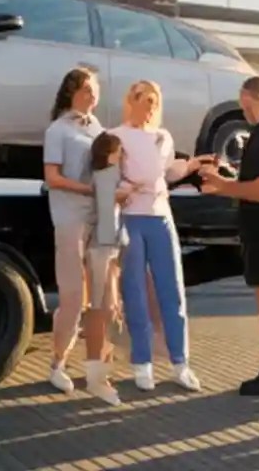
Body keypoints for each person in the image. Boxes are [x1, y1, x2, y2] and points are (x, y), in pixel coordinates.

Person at [108, 80, 209, 392]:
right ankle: (142, 364)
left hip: (161, 218)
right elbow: (106, 180)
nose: (150, 107)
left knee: (172, 291)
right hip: (131, 218)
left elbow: (167, 172)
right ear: (132, 101)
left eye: (154, 101)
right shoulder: (115, 136)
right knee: (135, 292)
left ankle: (181, 363)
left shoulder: (163, 137)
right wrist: (123, 190)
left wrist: (191, 165)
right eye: (145, 100)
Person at [200, 75, 259, 396]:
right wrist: (228, 175)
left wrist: (221, 185)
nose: (244, 111)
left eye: (247, 104)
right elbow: (257, 180)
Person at [42, 67, 116, 398]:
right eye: (86, 88)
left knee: (103, 296)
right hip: (70, 217)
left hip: (99, 218)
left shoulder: (99, 128)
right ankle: (57, 364)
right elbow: (53, 178)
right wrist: (89, 190)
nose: (92, 94)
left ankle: (98, 364)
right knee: (73, 295)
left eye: (95, 88)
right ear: (71, 91)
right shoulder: (57, 130)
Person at [85, 131, 132, 405]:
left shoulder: (102, 177)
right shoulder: (107, 177)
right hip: (103, 248)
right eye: (120, 151)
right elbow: (106, 216)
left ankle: (101, 370)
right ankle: (97, 376)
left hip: (106, 248)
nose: (123, 156)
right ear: (110, 154)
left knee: (107, 308)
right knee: (102, 309)